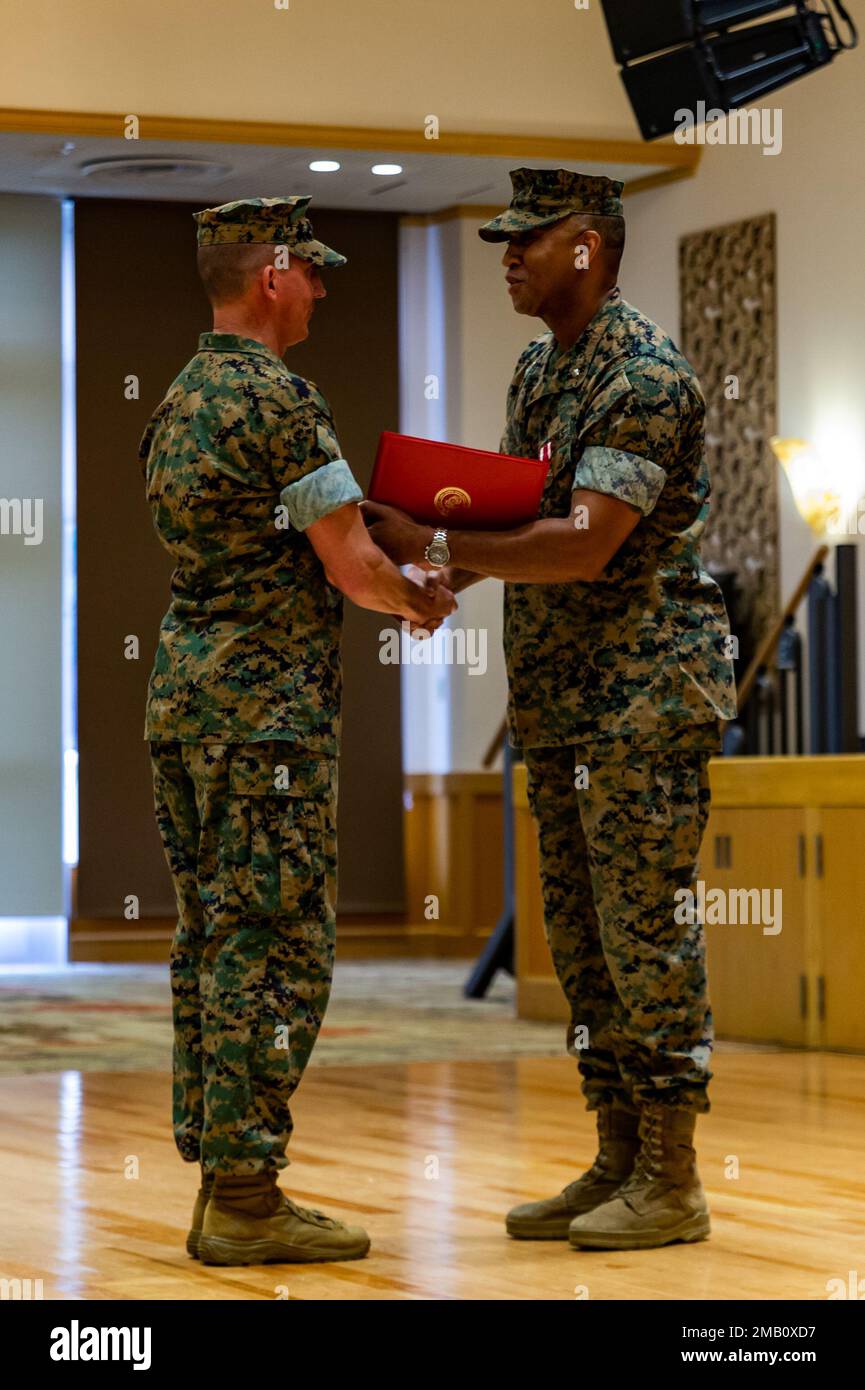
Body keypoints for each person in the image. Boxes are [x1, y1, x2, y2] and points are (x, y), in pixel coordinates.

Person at [362, 167, 737, 1252]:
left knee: (642, 933)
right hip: (561, 701)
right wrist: (433, 587)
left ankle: (672, 1175)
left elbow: (583, 540)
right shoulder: (539, 372)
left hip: (641, 696)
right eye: (502, 238)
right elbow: (516, 521)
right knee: (576, 939)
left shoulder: (643, 373)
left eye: (531, 237)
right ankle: (614, 1153)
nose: (510, 255)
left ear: (590, 246)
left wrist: (430, 548)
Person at [139, 195, 454, 1266]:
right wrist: (420, 598)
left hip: (187, 702)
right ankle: (245, 1195)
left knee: (213, 938)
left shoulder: (179, 399)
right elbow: (347, 560)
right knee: (277, 942)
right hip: (266, 716)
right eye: (311, 270)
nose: (322, 287)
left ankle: (222, 1173)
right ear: (271, 272)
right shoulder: (279, 398)